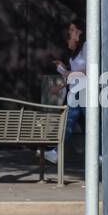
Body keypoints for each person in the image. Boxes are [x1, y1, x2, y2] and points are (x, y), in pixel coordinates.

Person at [45, 17, 85, 164]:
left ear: (81, 32)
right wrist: (62, 71)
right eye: (70, 31)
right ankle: (56, 152)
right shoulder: (72, 57)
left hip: (87, 93)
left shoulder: (87, 47)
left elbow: (88, 71)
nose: (70, 33)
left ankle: (101, 154)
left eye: (73, 30)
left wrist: (66, 75)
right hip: (75, 92)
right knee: (68, 123)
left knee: (95, 124)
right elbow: (72, 76)